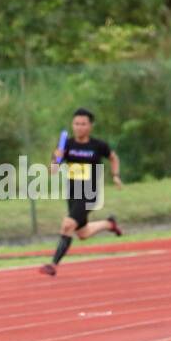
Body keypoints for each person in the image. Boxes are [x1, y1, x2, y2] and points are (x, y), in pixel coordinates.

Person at [40, 108, 123, 276]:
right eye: (76, 123)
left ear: (90, 126)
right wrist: (56, 158)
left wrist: (115, 175)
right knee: (82, 233)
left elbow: (113, 157)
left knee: (67, 224)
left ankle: (53, 265)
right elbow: (52, 170)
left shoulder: (98, 145)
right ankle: (109, 224)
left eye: (83, 124)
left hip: (90, 193)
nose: (79, 127)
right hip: (73, 193)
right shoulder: (66, 145)